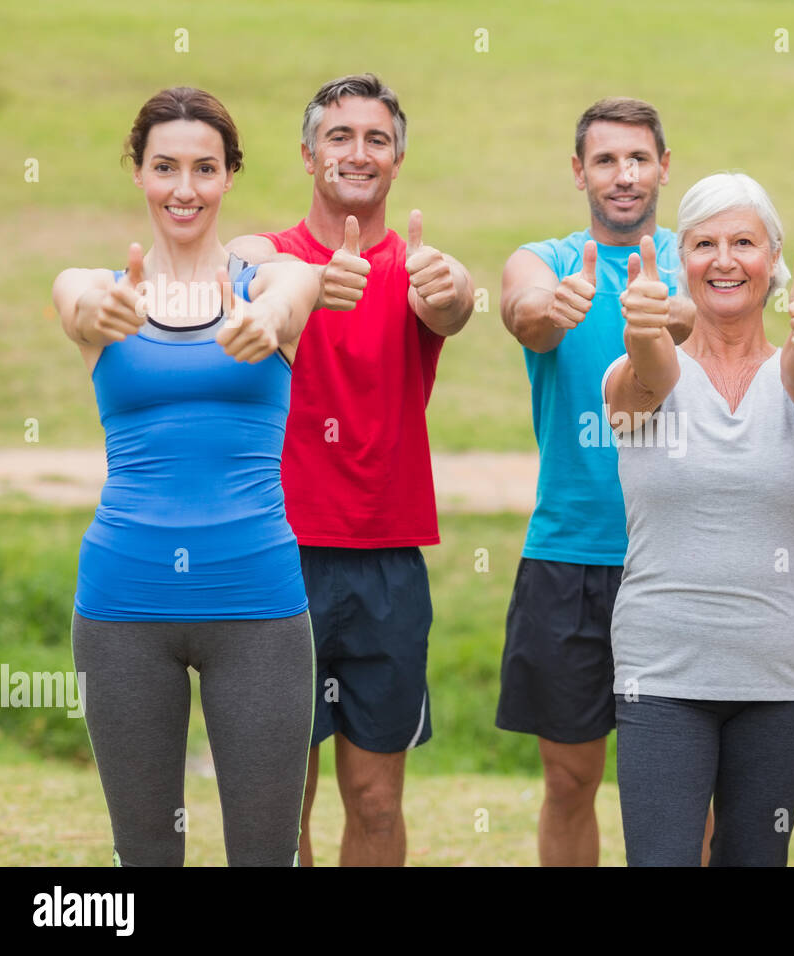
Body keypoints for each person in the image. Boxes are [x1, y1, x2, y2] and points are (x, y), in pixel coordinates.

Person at [52, 87, 320, 866]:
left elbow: (293, 294)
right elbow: (76, 304)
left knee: (268, 853)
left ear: (230, 175)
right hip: (123, 607)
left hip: (260, 607)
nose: (184, 188)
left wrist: (267, 321)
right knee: (143, 853)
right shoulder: (97, 285)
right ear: (137, 172)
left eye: (205, 168)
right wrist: (94, 313)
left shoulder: (272, 285)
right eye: (164, 166)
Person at [226, 73, 475, 866]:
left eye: (377, 139)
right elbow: (240, 263)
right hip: (277, 557)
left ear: (397, 161)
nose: (358, 152)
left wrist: (452, 288)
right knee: (277, 806)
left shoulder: (419, 268)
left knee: (374, 803)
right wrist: (276, 275)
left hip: (386, 566)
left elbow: (455, 304)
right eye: (340, 136)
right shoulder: (268, 262)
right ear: (307, 154)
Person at [604, 172, 794, 866]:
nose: (724, 259)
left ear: (773, 259)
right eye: (704, 244)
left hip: (780, 676)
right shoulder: (633, 377)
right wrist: (643, 331)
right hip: (662, 674)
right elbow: (648, 378)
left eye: (743, 242)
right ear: (681, 261)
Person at [496, 97, 697, 866]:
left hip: (681, 554)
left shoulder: (701, 254)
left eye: (639, 158)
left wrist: (677, 313)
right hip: (569, 553)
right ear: (579, 170)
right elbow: (525, 313)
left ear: (664, 167)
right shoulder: (543, 259)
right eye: (606, 160)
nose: (624, 176)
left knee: (687, 784)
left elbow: (729, 311)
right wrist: (555, 306)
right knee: (570, 778)